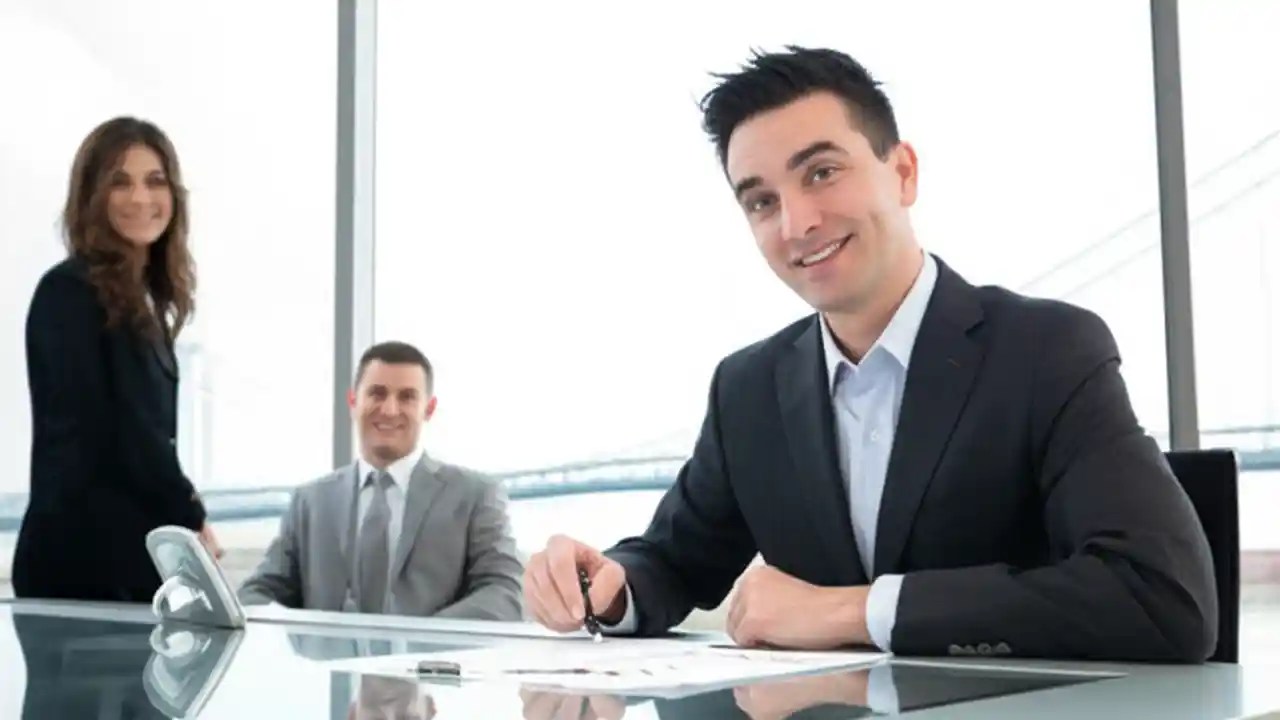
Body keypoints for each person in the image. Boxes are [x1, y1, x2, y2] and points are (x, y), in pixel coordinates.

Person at [523, 47, 1218, 662]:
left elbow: (1162, 598)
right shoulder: (748, 387)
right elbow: (676, 561)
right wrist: (609, 586)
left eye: (822, 173)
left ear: (903, 173)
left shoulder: (1047, 352)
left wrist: (850, 612)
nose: (797, 223)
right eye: (761, 202)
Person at [12, 116, 221, 603]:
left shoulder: (142, 300)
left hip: (130, 561)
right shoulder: (69, 292)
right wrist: (190, 514)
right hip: (82, 565)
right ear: (92, 196)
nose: (141, 198)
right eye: (120, 182)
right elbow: (122, 433)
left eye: (155, 181)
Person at [238, 341, 523, 620]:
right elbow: (258, 592)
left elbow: (503, 594)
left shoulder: (476, 495)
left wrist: (420, 639)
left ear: (429, 409)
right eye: (377, 393)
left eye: (407, 397)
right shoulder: (310, 501)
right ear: (353, 401)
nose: (389, 410)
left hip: (431, 652)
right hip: (324, 654)